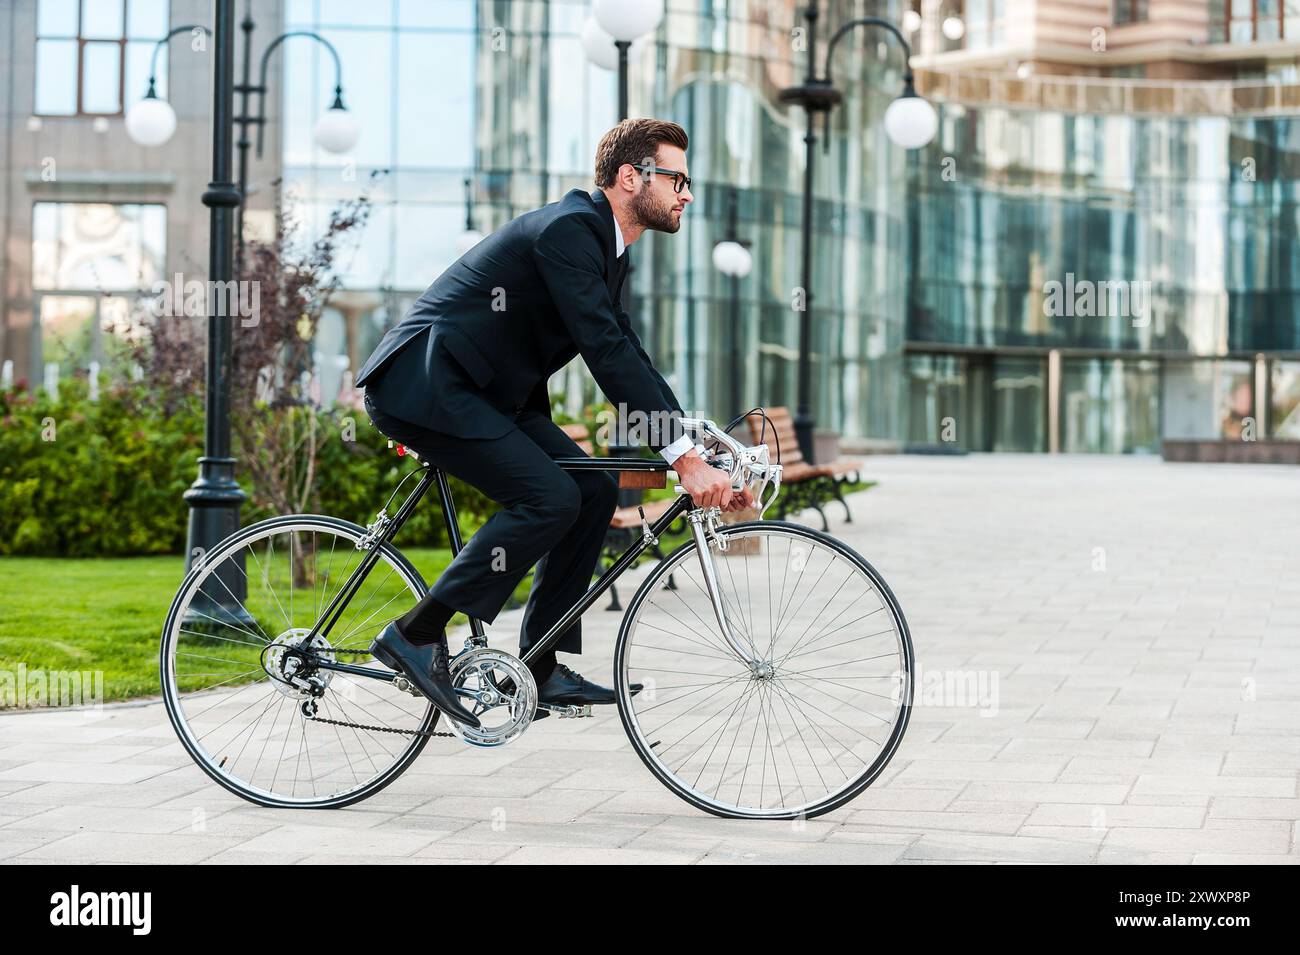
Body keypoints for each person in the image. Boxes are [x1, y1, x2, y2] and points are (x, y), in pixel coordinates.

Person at [356, 118, 754, 727]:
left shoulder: (604, 248)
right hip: (426, 385)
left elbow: (626, 348)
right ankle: (416, 632)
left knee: (592, 488)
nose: (687, 194)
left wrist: (694, 439)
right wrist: (681, 458)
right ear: (631, 177)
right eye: (679, 179)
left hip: (486, 395)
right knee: (547, 497)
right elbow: (605, 351)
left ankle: (539, 668)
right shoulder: (570, 230)